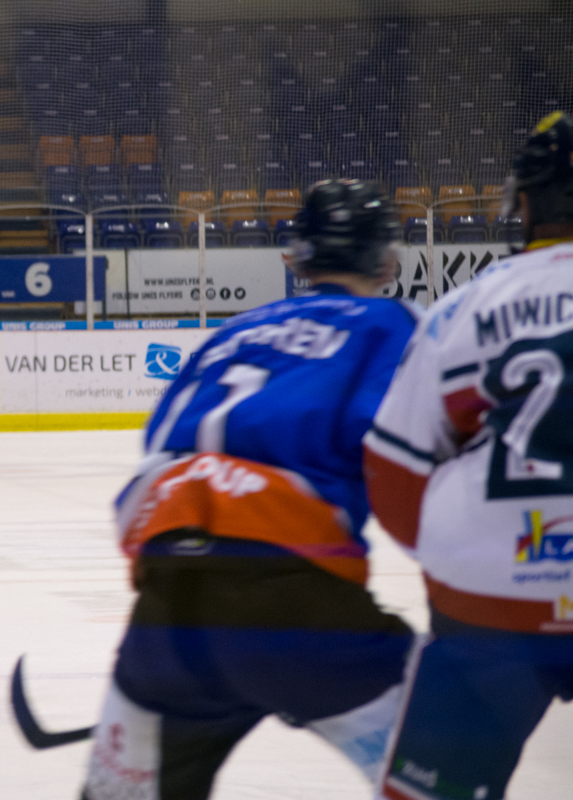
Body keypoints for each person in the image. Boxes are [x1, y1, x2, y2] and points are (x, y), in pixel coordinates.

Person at [86, 179, 420, 799]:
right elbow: (419, 457)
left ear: (295, 258)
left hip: (164, 614)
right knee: (451, 765)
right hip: (298, 607)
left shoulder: (228, 335)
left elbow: (157, 451)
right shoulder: (390, 324)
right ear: (387, 260)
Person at [365, 111, 573, 800]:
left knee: (433, 792)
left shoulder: (465, 308)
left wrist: (457, 567)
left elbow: (394, 475)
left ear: (526, 202)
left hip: (488, 598)